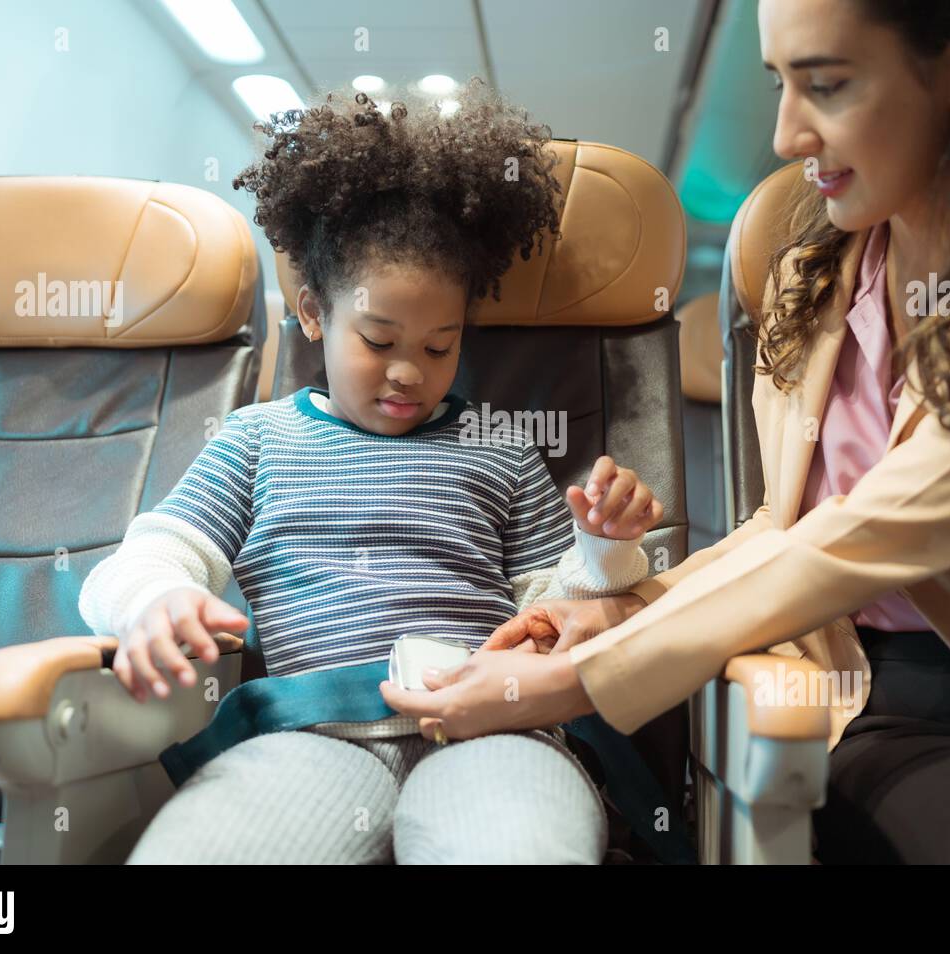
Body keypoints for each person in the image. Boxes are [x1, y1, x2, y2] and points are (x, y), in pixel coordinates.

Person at [380, 0, 950, 863]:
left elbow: (882, 528)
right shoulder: (813, 283)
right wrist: (617, 611)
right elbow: (788, 534)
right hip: (896, 704)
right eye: (780, 85)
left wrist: (566, 686)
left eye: (824, 85)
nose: (787, 134)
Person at [78, 79, 666, 864]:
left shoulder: (500, 448)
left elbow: (552, 620)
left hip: (493, 726)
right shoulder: (258, 439)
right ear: (316, 313)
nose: (407, 375)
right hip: (310, 732)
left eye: (438, 347)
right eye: (378, 341)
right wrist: (156, 600)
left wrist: (600, 550)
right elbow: (151, 555)